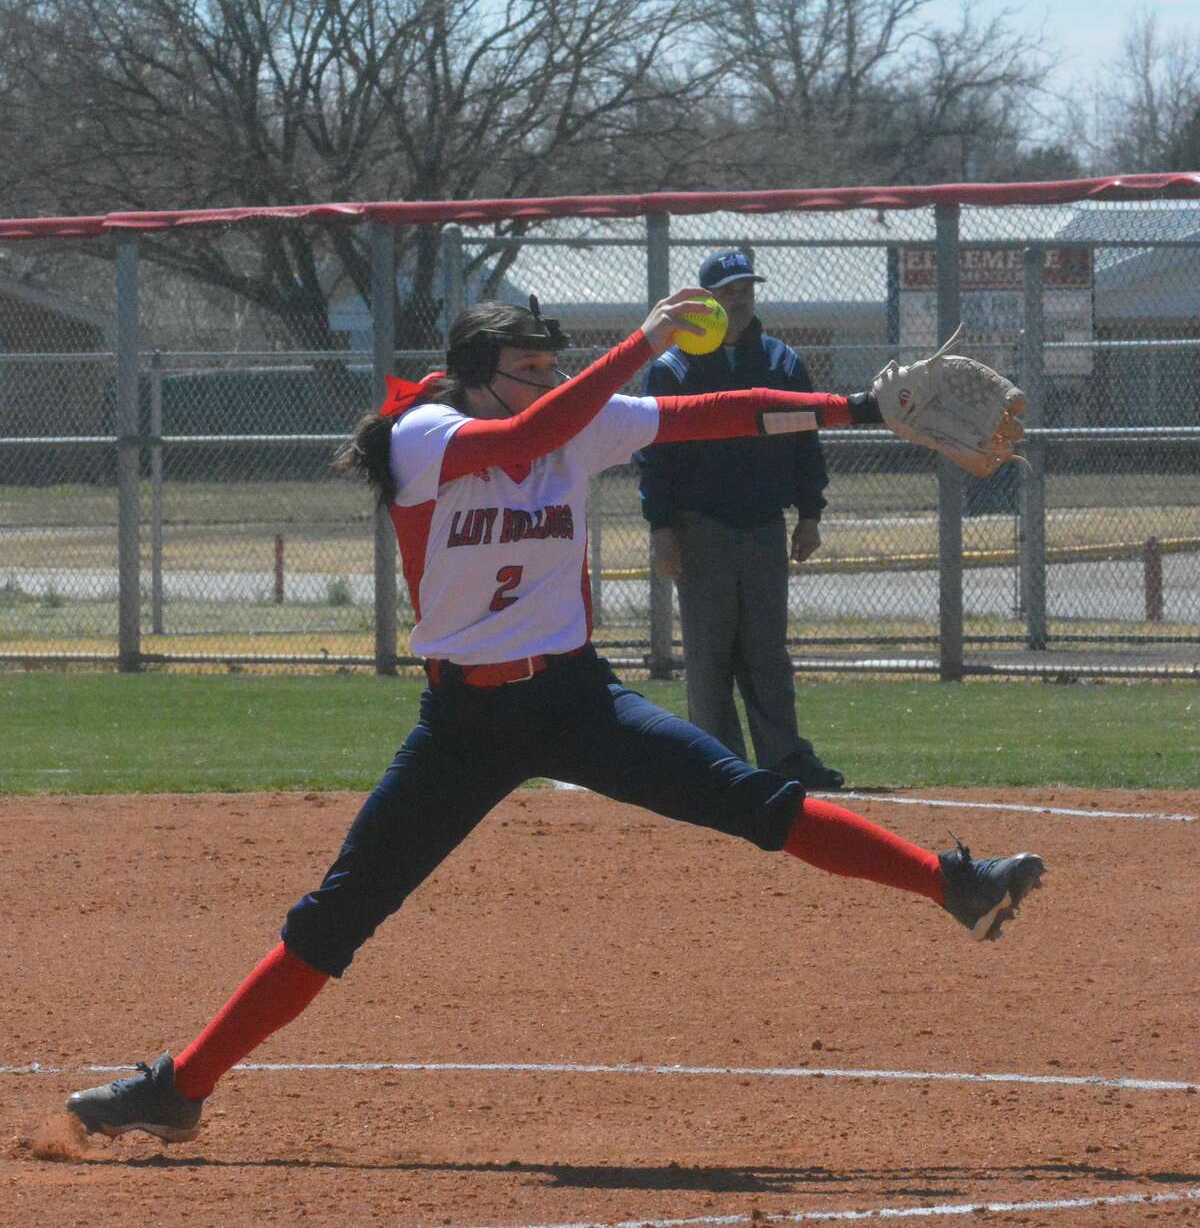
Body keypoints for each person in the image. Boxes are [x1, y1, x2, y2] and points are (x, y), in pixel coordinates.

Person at [65, 289, 1045, 1145]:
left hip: (575, 699)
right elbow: (527, 439)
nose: (545, 379)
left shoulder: (575, 419)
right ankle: (180, 1086)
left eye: (550, 364)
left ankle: (951, 883)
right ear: (474, 375)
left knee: (757, 798)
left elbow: (717, 415)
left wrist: (856, 407)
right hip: (464, 723)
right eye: (525, 366)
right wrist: (644, 336)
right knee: (336, 915)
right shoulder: (425, 437)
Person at [637, 249, 844, 790]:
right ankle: (717, 764)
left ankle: (786, 759)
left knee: (767, 651)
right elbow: (654, 459)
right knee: (709, 651)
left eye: (746, 288)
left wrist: (811, 514)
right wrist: (661, 529)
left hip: (764, 524)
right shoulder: (674, 367)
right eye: (728, 290)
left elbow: (806, 445)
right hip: (699, 524)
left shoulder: (781, 361)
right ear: (704, 301)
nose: (740, 298)